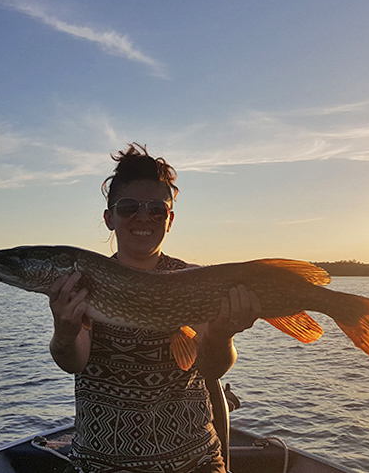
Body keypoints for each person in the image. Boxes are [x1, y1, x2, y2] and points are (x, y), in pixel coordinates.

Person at [47, 143, 261, 473]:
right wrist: (64, 332)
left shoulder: (193, 279)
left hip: (193, 461)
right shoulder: (83, 281)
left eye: (156, 210)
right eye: (129, 207)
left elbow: (212, 368)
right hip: (100, 463)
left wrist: (221, 335)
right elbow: (73, 361)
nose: (143, 217)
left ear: (169, 219)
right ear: (109, 218)